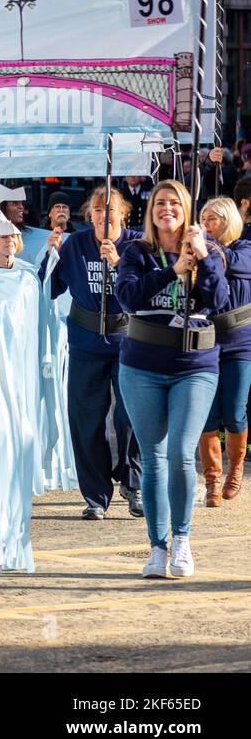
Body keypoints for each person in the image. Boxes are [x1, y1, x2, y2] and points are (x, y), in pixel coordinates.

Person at [115, 179, 229, 579]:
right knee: (153, 457)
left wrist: (203, 260)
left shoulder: (208, 251)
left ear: (186, 210)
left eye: (175, 203)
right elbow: (127, 298)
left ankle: (182, 540)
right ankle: (157, 547)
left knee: (181, 452)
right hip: (142, 364)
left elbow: (218, 303)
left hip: (194, 366)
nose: (167, 209)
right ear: (151, 211)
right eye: (160, 203)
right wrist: (173, 271)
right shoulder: (136, 252)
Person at [43, 185, 142, 520]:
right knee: (87, 419)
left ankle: (134, 484)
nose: (103, 215)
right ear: (89, 216)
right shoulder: (76, 245)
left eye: (110, 209)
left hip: (130, 341)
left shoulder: (138, 243)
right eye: (98, 210)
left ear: (124, 214)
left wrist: (118, 262)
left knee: (132, 417)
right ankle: (96, 495)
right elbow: (49, 287)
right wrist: (50, 254)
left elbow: (148, 288)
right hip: (85, 341)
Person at [197, 196, 251, 506]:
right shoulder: (203, 253)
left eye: (211, 220)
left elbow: (234, 262)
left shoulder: (244, 248)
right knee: (207, 415)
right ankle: (213, 481)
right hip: (205, 342)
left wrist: (207, 249)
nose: (205, 226)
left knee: (234, 410)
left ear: (228, 220)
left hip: (241, 342)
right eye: (202, 220)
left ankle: (236, 471)